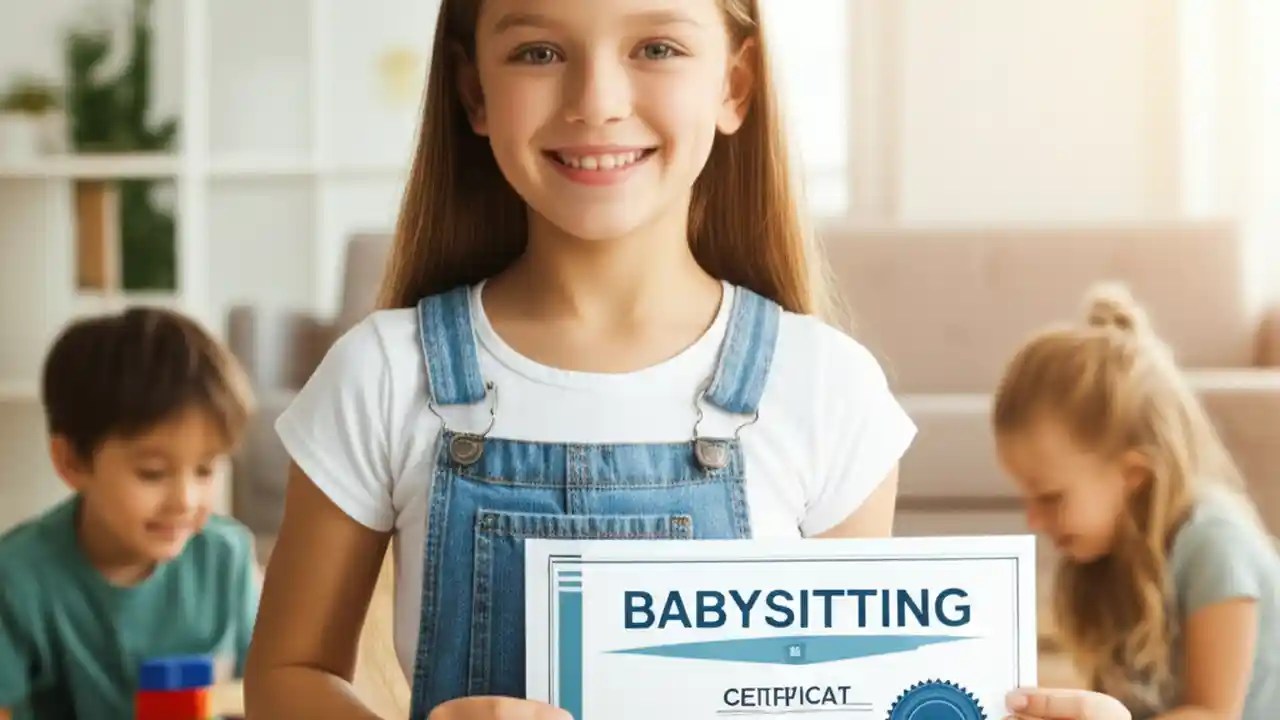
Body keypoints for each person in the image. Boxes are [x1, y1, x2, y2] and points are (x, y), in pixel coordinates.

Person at [244, 1, 1131, 718]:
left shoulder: (827, 388)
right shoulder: (383, 374)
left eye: (657, 47)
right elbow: (288, 676)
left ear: (734, 85)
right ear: (474, 92)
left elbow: (850, 699)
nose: (596, 99)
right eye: (538, 53)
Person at [993, 282, 1280, 720]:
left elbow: (1214, 713)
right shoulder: (1105, 555)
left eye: (1050, 497)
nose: (1033, 519)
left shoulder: (1215, 545)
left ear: (1133, 477)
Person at [0, 307, 261, 720]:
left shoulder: (226, 558)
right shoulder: (17, 577)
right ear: (72, 462)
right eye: (152, 473)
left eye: (205, 469)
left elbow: (262, 693)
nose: (185, 500)